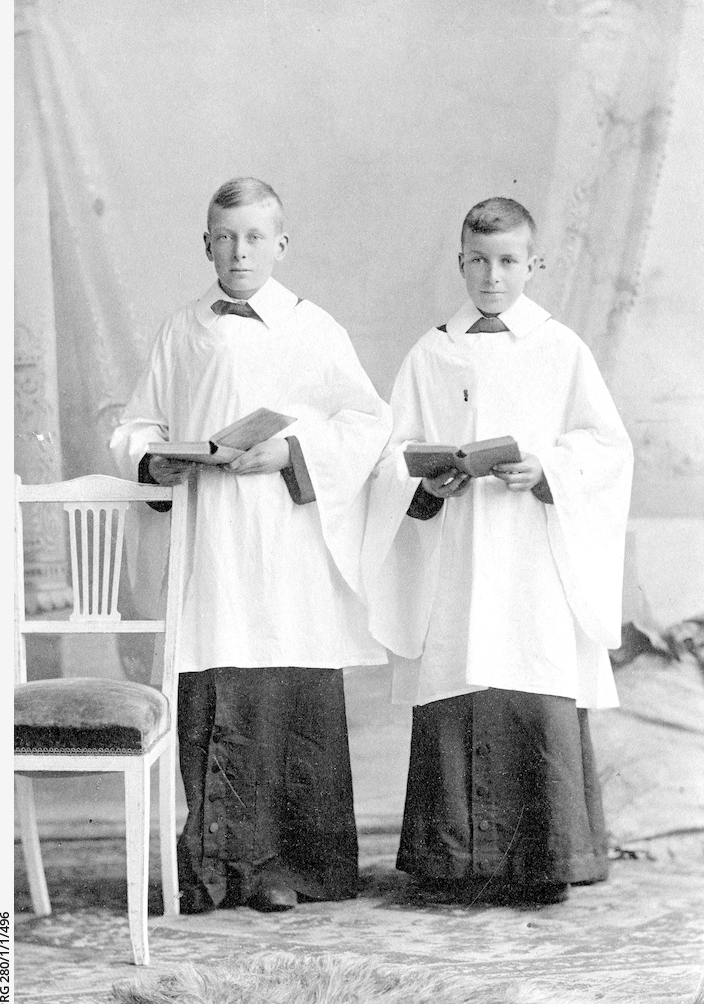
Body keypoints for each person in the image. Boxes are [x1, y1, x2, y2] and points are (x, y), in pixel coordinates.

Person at [111, 177, 391, 914]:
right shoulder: (183, 330)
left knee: (288, 690)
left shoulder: (313, 328)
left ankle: (300, 867)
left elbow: (367, 423)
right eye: (225, 238)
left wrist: (289, 450)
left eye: (255, 238)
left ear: (280, 244)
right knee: (215, 686)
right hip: (212, 540)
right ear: (206, 243)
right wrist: (154, 459)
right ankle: (218, 871)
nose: (239, 252)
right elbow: (138, 422)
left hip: (287, 541)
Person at [361, 197, 633, 906]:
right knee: (460, 674)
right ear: (460, 262)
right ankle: (454, 864)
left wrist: (547, 470)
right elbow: (391, 455)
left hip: (532, 557)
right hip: (457, 552)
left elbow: (605, 446)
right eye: (478, 260)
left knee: (530, 672)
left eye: (508, 261)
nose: (492, 275)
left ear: (532, 264)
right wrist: (427, 480)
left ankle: (547, 862)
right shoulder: (432, 351)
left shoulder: (560, 348)